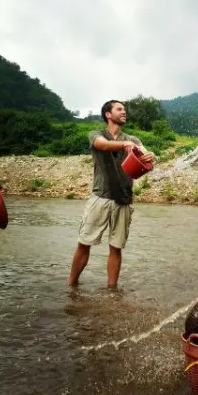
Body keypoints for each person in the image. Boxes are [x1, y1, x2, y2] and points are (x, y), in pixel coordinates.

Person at [67, 100, 155, 288]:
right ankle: (71, 285)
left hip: (124, 199)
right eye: (119, 109)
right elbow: (104, 145)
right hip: (100, 197)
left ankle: (111, 291)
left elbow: (146, 157)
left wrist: (150, 156)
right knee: (84, 243)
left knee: (116, 248)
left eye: (124, 109)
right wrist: (125, 144)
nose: (124, 112)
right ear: (108, 114)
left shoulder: (134, 139)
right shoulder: (96, 134)